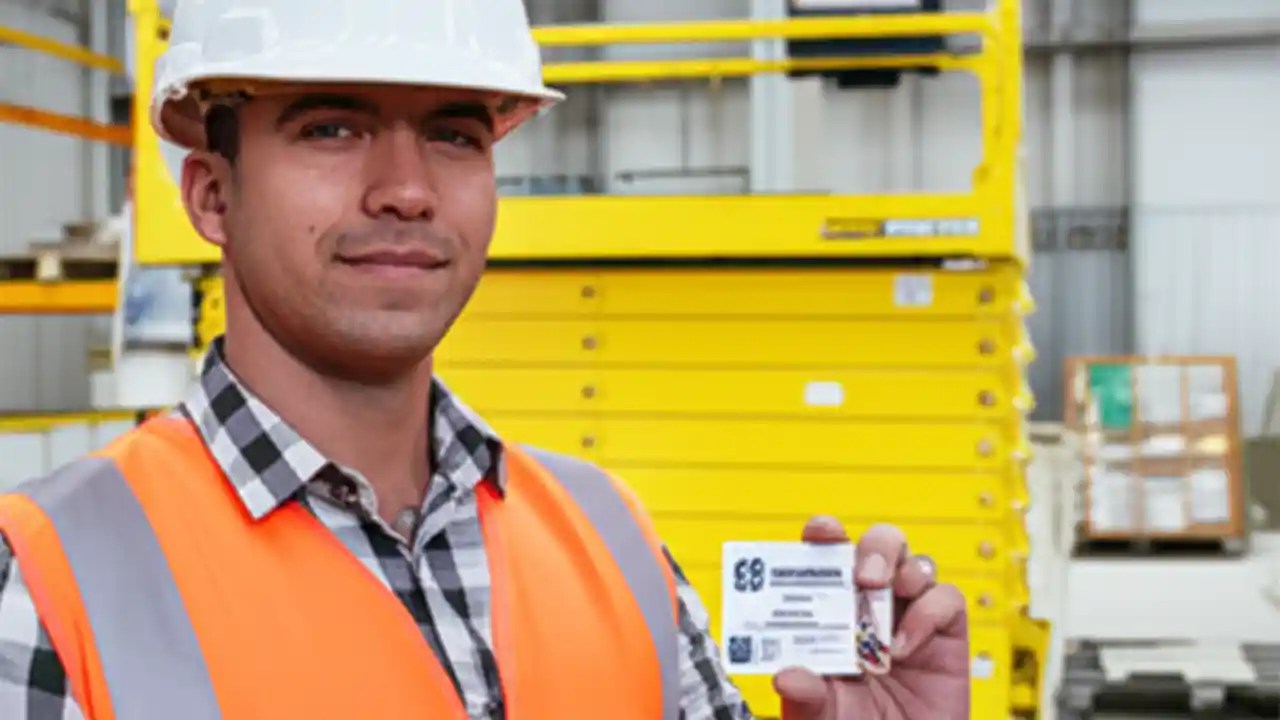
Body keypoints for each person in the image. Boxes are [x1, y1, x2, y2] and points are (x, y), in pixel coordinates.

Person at [0, 1, 969, 718]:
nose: (407, 190)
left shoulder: (613, 539)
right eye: (331, 128)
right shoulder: (51, 578)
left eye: (453, 135)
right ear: (211, 195)